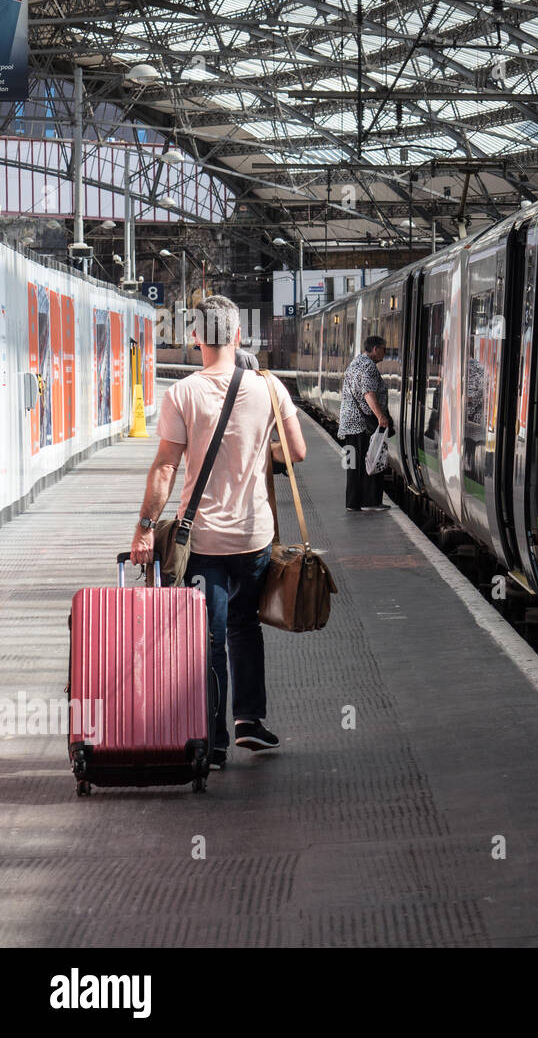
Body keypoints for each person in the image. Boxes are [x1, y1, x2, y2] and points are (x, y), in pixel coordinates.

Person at [129, 294, 307, 769]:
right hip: (254, 537)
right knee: (245, 627)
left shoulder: (182, 394)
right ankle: (249, 721)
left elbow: (165, 467)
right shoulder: (270, 389)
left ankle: (213, 738)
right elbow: (297, 452)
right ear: (237, 335)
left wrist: (145, 529)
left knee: (209, 638)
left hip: (201, 541)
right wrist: (252, 451)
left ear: (194, 338)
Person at [338, 334, 392, 512]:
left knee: (354, 465)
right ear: (375, 349)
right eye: (384, 349)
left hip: (350, 423)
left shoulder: (356, 363)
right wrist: (380, 416)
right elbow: (368, 393)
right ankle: (370, 501)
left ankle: (352, 502)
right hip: (362, 424)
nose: (385, 352)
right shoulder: (368, 366)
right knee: (371, 461)